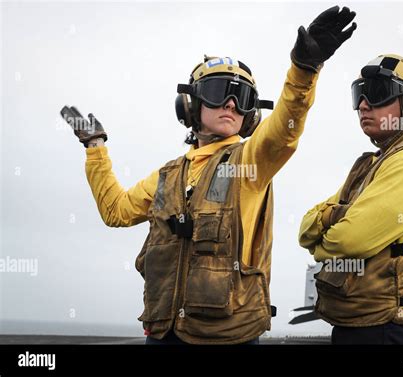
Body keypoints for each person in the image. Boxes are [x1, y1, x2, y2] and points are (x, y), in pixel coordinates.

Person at [61, 5, 357, 345]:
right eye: (219, 93)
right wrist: (95, 146)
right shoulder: (168, 175)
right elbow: (115, 211)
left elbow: (285, 129)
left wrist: (304, 69)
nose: (230, 104)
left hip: (227, 338)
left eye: (241, 97)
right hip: (163, 335)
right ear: (191, 105)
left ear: (249, 113)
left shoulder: (251, 161)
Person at [298, 54, 403, 345]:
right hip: (364, 324)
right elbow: (305, 226)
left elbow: (348, 241)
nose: (362, 105)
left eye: (378, 92)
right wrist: (333, 219)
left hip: (390, 329)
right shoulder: (374, 163)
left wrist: (323, 241)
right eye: (359, 94)